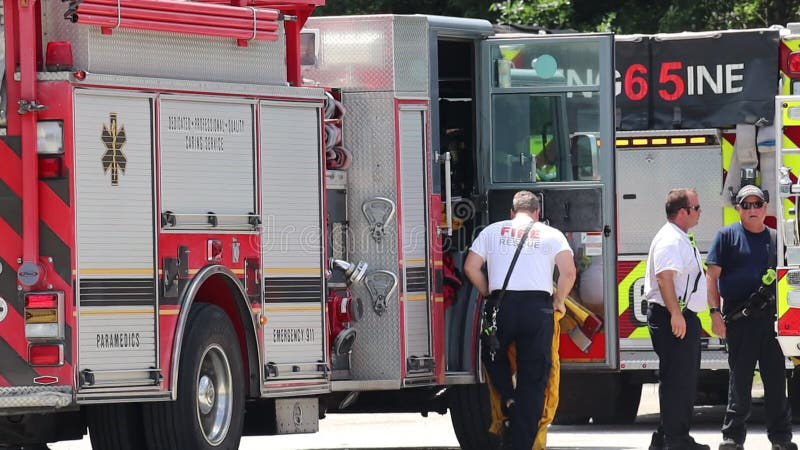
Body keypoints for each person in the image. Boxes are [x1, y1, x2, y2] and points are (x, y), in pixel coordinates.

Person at [464, 190, 576, 450]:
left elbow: (470, 267)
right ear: (537, 213)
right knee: (535, 377)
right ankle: (522, 442)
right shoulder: (551, 234)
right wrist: (558, 300)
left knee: (492, 355)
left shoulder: (492, 231)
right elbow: (569, 272)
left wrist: (489, 292)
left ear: (512, 213)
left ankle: (507, 397)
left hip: (501, 306)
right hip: (538, 310)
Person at [706, 185, 796, 450]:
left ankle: (781, 439)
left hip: (771, 320)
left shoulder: (776, 239)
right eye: (747, 205)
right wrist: (714, 314)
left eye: (758, 204)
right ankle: (732, 437)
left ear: (765, 207)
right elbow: (712, 278)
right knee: (740, 381)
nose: (753, 209)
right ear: (738, 209)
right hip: (739, 318)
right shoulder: (726, 236)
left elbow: (790, 277)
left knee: (776, 382)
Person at [645, 188, 709, 450]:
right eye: (696, 207)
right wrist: (675, 314)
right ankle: (676, 440)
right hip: (671, 314)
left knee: (681, 379)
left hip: (680, 314)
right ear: (683, 212)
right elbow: (665, 278)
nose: (699, 211)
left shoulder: (679, 237)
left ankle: (666, 437)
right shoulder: (670, 239)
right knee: (677, 381)